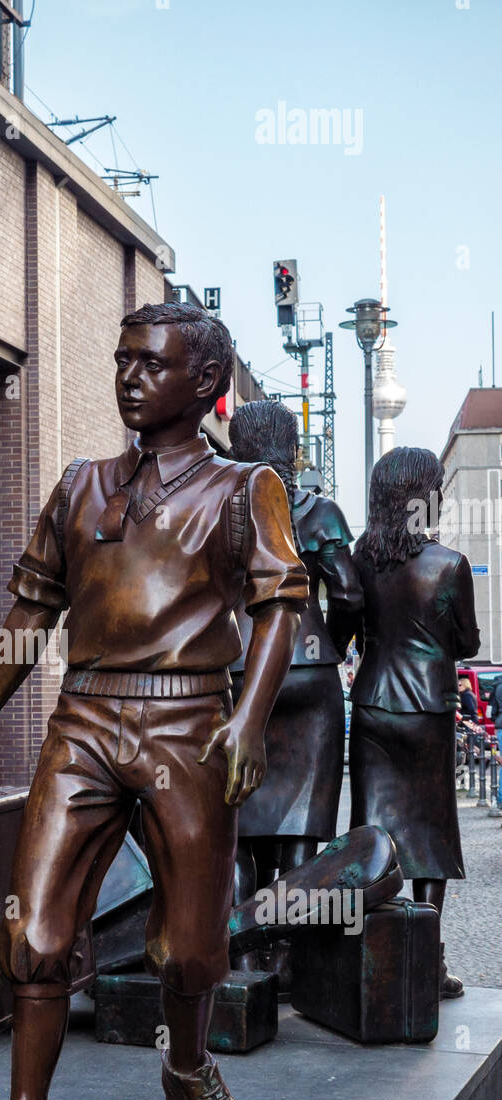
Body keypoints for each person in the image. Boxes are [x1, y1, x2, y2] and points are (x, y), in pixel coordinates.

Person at [0, 301, 308, 1100]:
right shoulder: (80, 484)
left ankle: (187, 1075)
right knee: (31, 930)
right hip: (84, 718)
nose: (129, 377)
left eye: (151, 363)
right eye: (121, 361)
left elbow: (278, 607)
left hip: (190, 722)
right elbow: (32, 607)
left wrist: (252, 719)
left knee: (190, 948)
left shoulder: (242, 488)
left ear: (205, 385)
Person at [228, 401, 361, 992]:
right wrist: (329, 644)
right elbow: (350, 592)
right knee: (302, 829)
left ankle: (242, 955)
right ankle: (288, 958)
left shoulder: (218, 509)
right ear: (292, 447)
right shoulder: (319, 512)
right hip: (310, 673)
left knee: (234, 821)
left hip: (238, 670)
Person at [342, 447, 478, 1001]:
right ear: (425, 495)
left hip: (373, 704)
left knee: (374, 834)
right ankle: (427, 959)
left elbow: (347, 628)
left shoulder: (361, 558)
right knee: (432, 836)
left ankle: (373, 957)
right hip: (428, 712)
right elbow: (467, 643)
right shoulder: (448, 565)